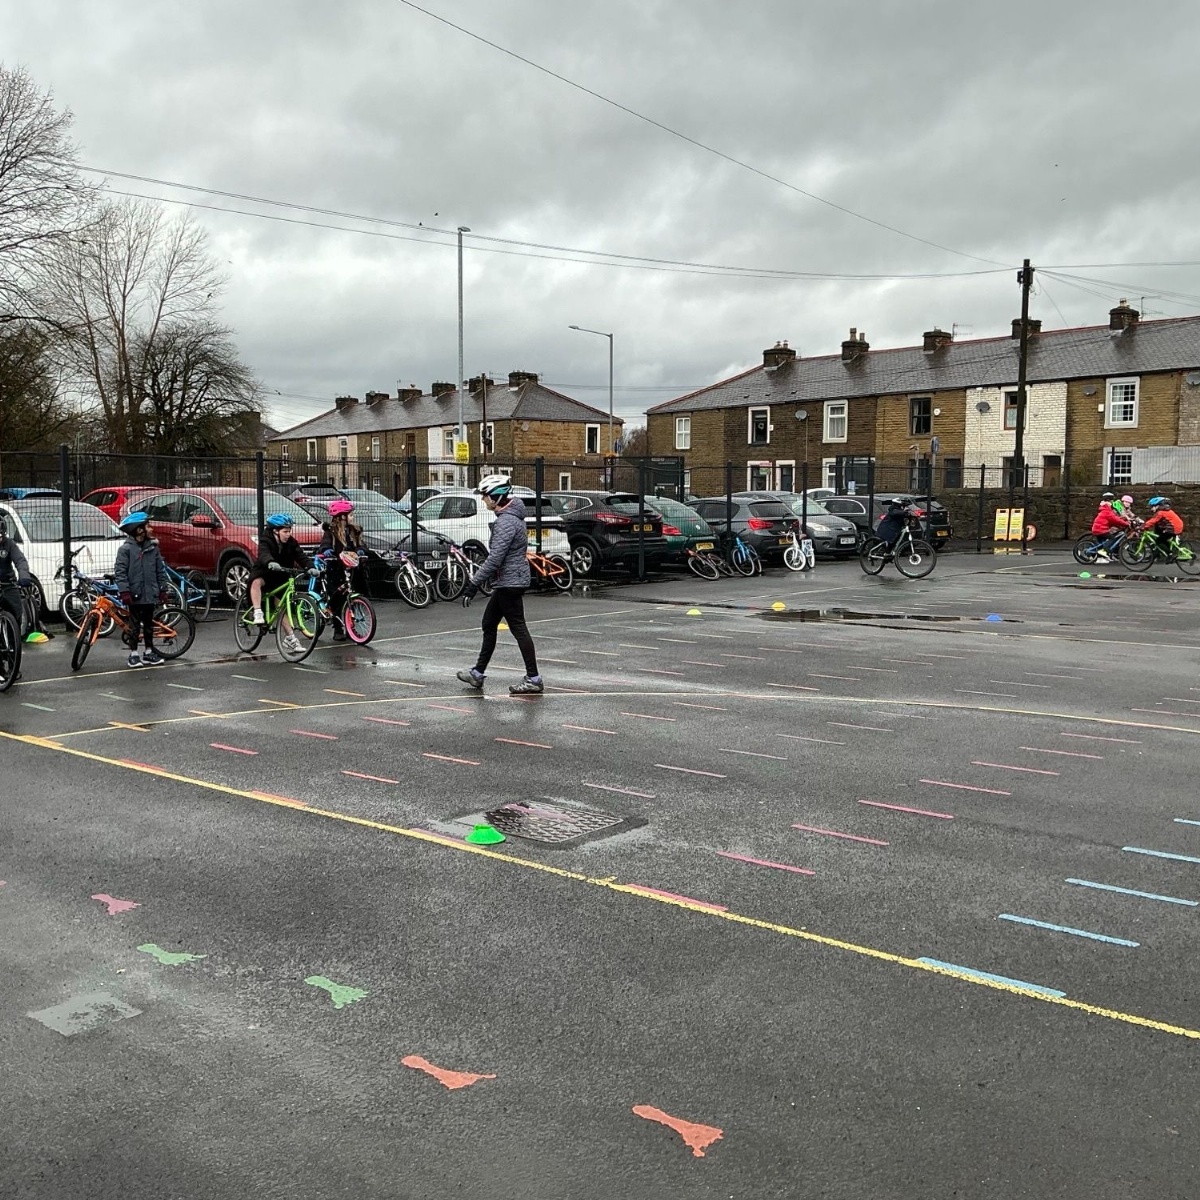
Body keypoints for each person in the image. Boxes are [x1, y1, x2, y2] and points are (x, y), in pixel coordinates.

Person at [456, 474, 543, 695]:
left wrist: (474, 584)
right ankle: (477, 673)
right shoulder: (510, 517)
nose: (483, 500)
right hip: (509, 580)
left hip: (509, 582)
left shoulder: (506, 522)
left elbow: (495, 558)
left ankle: (533, 678)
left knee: (518, 627)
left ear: (496, 496)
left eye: (485, 496)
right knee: (489, 623)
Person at [248, 513, 312, 655]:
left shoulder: (291, 542)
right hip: (265, 571)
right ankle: (257, 611)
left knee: (281, 605)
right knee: (256, 582)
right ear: (275, 531)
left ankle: (290, 638)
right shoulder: (266, 539)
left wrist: (311, 567)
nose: (288, 534)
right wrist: (270, 562)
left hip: (280, 575)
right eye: (285, 531)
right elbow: (263, 553)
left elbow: (300, 555)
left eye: (289, 531)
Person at [113, 511, 169, 667]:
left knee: (149, 624)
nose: (151, 529)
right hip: (135, 594)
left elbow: (160, 570)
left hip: (150, 593)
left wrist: (162, 589)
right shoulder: (126, 550)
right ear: (139, 530)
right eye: (147, 526)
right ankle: (134, 653)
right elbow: (120, 572)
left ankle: (149, 652)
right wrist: (125, 591)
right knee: (134, 625)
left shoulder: (153, 548)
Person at [319, 499, 365, 641]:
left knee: (355, 593)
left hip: (351, 567)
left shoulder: (353, 531)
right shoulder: (330, 531)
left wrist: (361, 550)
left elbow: (360, 545)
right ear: (342, 517)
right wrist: (327, 550)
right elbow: (325, 544)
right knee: (337, 597)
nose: (353, 518)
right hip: (336, 567)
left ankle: (351, 625)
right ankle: (338, 627)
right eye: (350, 515)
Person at [0, 514, 33, 661]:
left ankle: (13, 658)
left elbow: (20, 560)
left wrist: (24, 576)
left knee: (15, 617)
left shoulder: (9, 544)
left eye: (1, 535)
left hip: (8, 584)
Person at [1090, 492, 1130, 563]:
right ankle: (1103, 552)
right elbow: (1115, 519)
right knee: (1112, 538)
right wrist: (1126, 524)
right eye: (1111, 501)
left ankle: (1100, 556)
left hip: (1101, 528)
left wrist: (1121, 526)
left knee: (1102, 543)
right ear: (1108, 501)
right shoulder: (1107, 510)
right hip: (1100, 529)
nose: (1112, 502)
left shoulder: (1107, 509)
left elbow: (1113, 521)